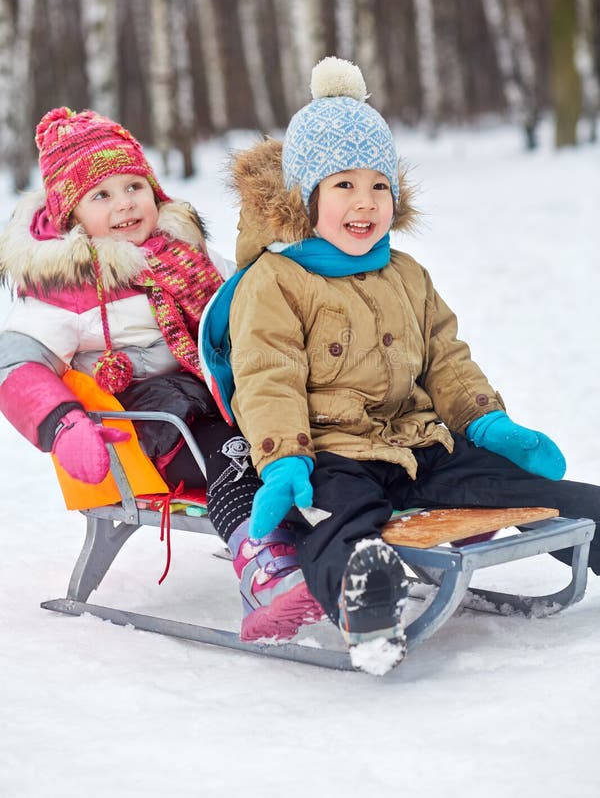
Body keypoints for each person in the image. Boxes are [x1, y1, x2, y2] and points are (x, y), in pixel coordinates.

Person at [201, 56, 600, 673]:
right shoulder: (274, 282)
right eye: (343, 186)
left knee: (525, 487)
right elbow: (266, 375)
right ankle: (365, 598)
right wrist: (283, 459)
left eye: (378, 186)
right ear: (306, 198)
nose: (365, 204)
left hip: (419, 443)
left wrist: (486, 423)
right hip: (331, 452)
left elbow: (445, 356)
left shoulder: (406, 273)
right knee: (342, 524)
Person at [0, 106, 323, 641]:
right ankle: (267, 573)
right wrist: (62, 425)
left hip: (225, 394)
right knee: (235, 455)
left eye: (134, 185)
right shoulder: (63, 286)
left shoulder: (186, 252)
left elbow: (246, 303)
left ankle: (351, 538)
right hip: (154, 425)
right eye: (100, 195)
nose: (125, 203)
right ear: (70, 215)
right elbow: (15, 364)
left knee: (304, 431)